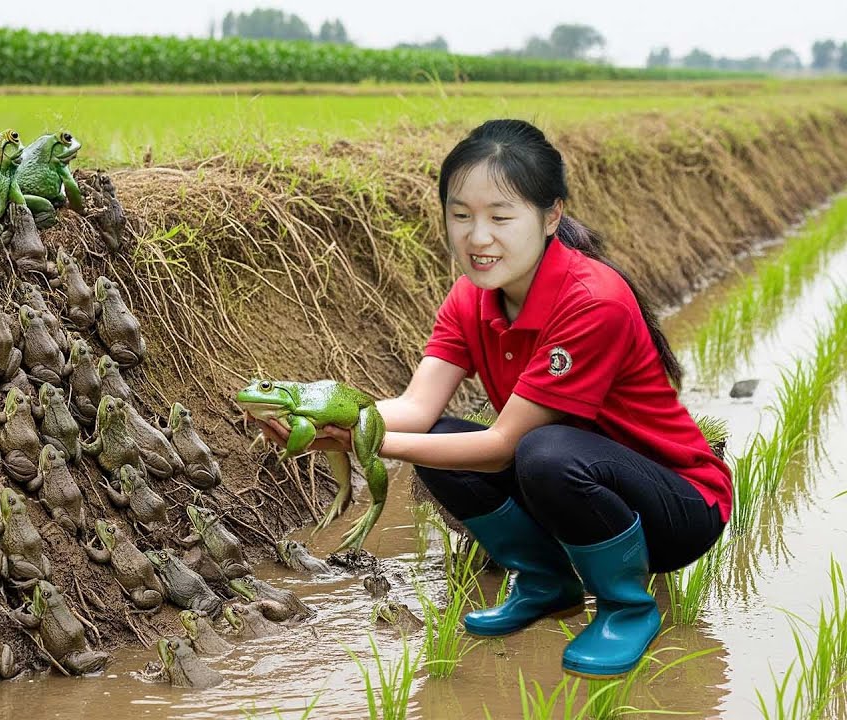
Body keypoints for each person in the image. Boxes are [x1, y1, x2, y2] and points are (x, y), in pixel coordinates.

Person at [252, 119, 731, 679]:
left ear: (551, 215)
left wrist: (373, 444)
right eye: (461, 216)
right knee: (436, 441)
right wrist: (321, 416)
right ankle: (548, 582)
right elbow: (415, 409)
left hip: (677, 506)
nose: (478, 238)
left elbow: (505, 446)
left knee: (542, 451)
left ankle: (626, 606)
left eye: (501, 217)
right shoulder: (470, 299)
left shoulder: (592, 301)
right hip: (576, 490)